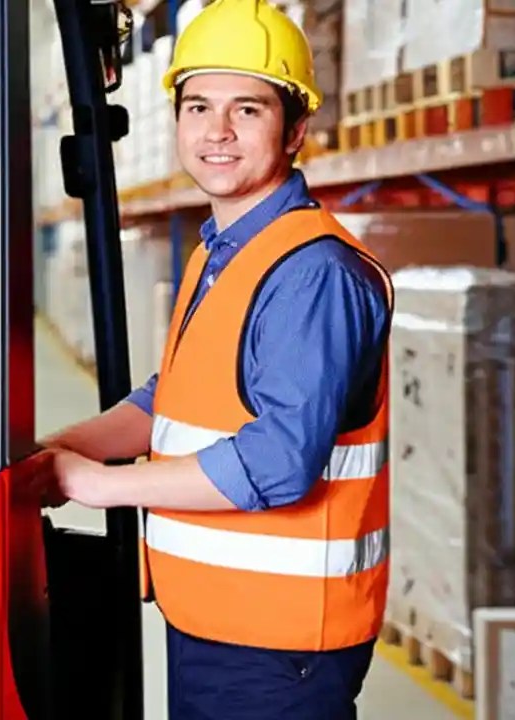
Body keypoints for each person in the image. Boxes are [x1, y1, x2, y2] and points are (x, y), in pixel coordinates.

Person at [25, 1, 393, 717]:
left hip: (279, 647)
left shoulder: (311, 274)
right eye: (198, 106)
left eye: (247, 110)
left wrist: (98, 485)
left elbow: (279, 461)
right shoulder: (223, 253)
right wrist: (62, 451)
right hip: (216, 621)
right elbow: (180, 396)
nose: (216, 132)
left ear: (297, 132)